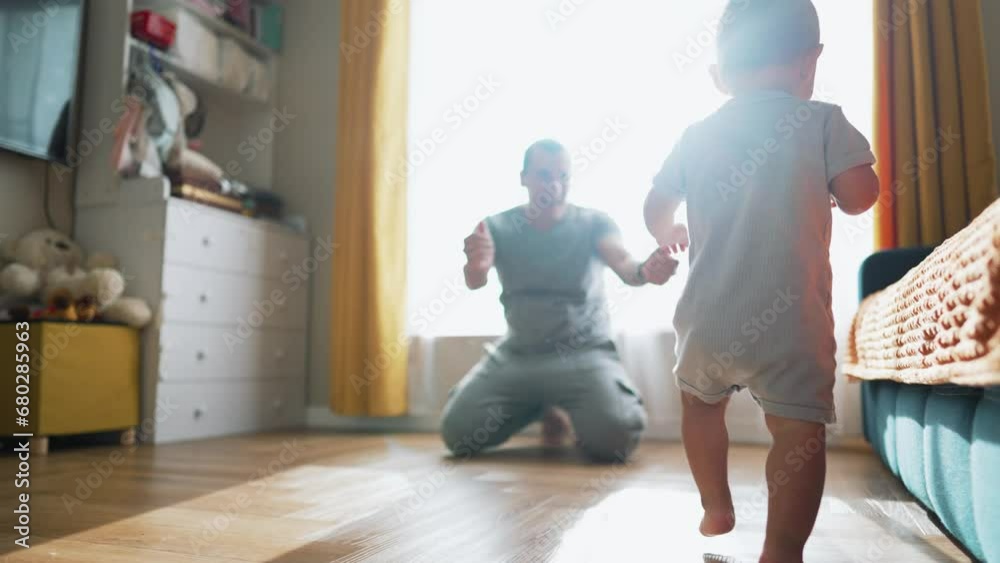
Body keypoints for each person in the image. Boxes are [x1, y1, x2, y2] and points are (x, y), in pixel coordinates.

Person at [643, 1, 879, 561]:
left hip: (708, 319)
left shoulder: (697, 133)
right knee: (797, 432)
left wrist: (667, 231)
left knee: (700, 407)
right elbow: (859, 197)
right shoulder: (822, 120)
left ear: (720, 74)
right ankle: (781, 549)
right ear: (809, 63)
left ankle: (715, 503)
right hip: (791, 323)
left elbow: (655, 202)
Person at [440, 139, 684, 463]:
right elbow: (476, 279)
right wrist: (474, 266)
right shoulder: (497, 226)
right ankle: (544, 406)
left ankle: (563, 404)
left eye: (563, 176)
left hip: (582, 353)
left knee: (616, 439)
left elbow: (626, 265)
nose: (554, 185)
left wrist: (647, 269)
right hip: (519, 356)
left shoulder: (595, 223)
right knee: (457, 434)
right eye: (544, 175)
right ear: (524, 177)